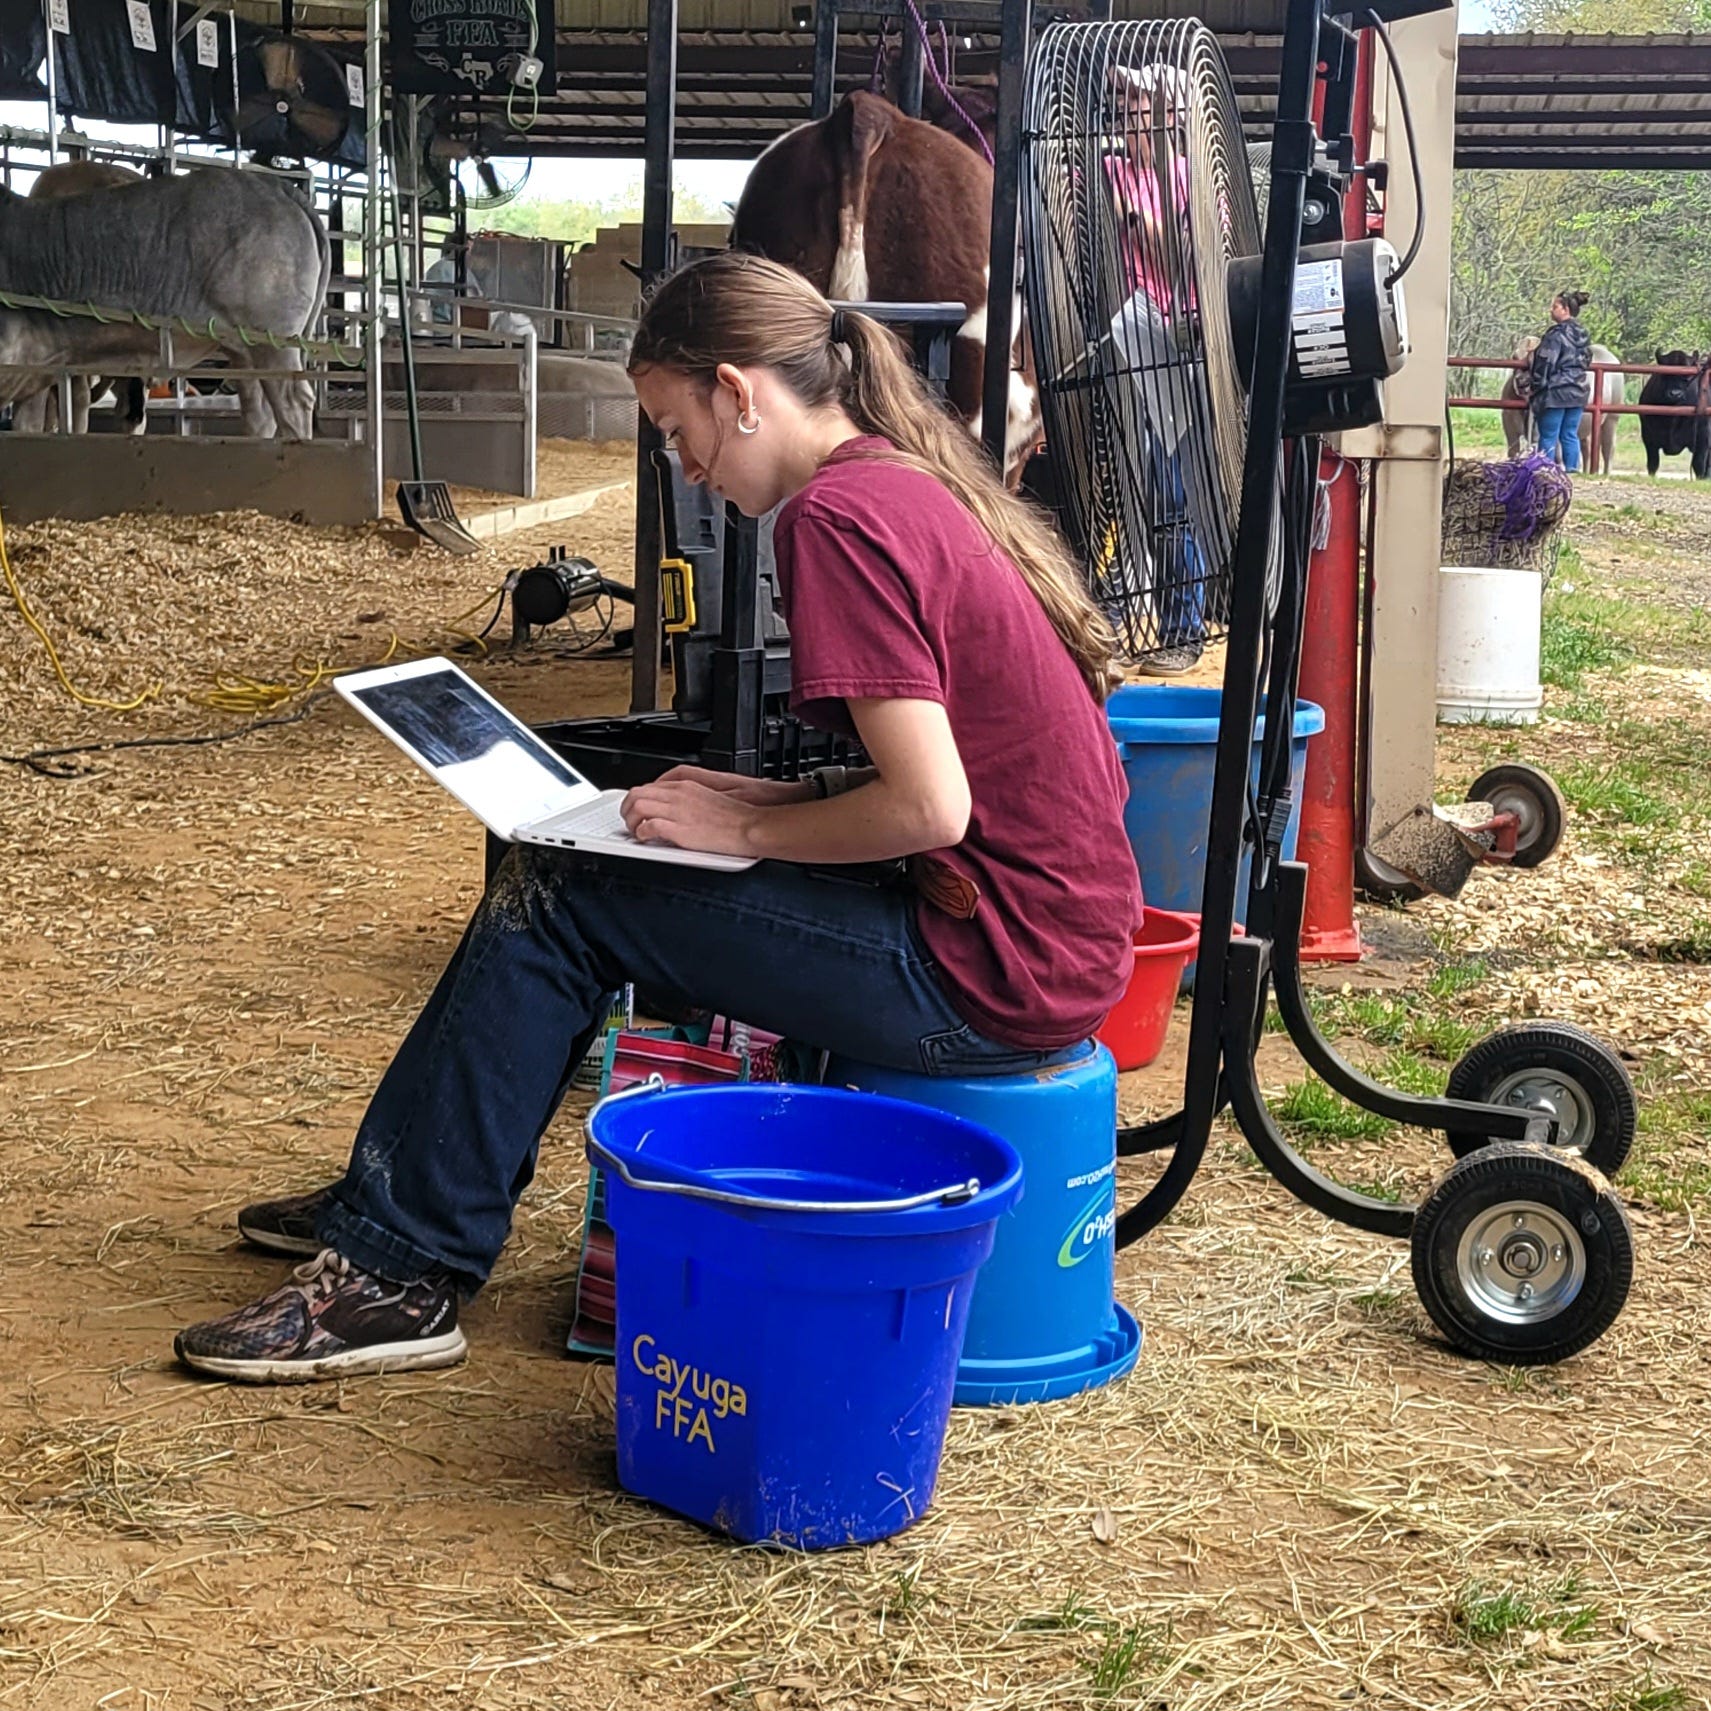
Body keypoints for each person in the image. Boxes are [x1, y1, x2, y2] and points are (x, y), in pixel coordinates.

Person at [173, 251, 1145, 1384]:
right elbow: (963, 782)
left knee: (558, 891)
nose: (682, 462)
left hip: (989, 970)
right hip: (1042, 938)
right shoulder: (902, 480)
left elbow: (931, 804)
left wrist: (750, 835)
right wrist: (769, 799)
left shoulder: (834, 518)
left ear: (738, 391)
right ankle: (400, 1185)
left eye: (678, 427)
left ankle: (400, 1264)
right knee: (574, 873)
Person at [1103, 62, 1226, 674]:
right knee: (1124, 480)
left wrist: (1144, 226)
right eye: (1122, 101)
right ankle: (1116, 606)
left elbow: (1191, 268)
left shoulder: (1197, 181)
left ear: (1172, 114)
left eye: (1139, 102)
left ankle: (1183, 628)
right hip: (1131, 340)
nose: (1127, 112)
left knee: (1178, 488)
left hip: (1189, 344)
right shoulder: (1106, 169)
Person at [1529, 290, 1593, 472]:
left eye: (1555, 306)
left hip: (1556, 391)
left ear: (1565, 309)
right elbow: (1587, 360)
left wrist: (1536, 386)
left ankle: (1545, 471)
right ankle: (1573, 471)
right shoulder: (1583, 335)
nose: (1551, 310)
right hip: (1578, 389)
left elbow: (1545, 362)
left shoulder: (1555, 335)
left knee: (1549, 434)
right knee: (1570, 434)